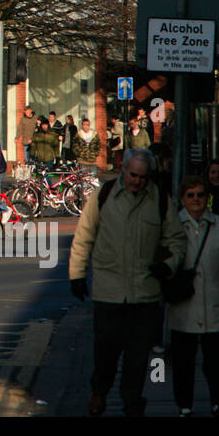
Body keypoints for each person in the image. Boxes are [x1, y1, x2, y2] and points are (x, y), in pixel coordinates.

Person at [68, 149, 186, 416]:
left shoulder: (159, 200)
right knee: (105, 355)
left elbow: (177, 240)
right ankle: (99, 391)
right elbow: (84, 235)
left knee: (137, 358)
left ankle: (132, 403)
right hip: (109, 293)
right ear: (123, 170)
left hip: (144, 295)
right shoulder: (104, 195)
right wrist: (76, 275)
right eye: (133, 175)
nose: (137, 182)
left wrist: (167, 264)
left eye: (143, 177)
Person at [168, 175, 219, 418]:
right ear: (182, 199)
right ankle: (184, 404)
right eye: (190, 195)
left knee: (215, 360)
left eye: (200, 195)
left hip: (216, 304)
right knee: (183, 361)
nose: (196, 200)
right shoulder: (172, 227)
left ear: (208, 197)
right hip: (184, 306)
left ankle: (218, 401)